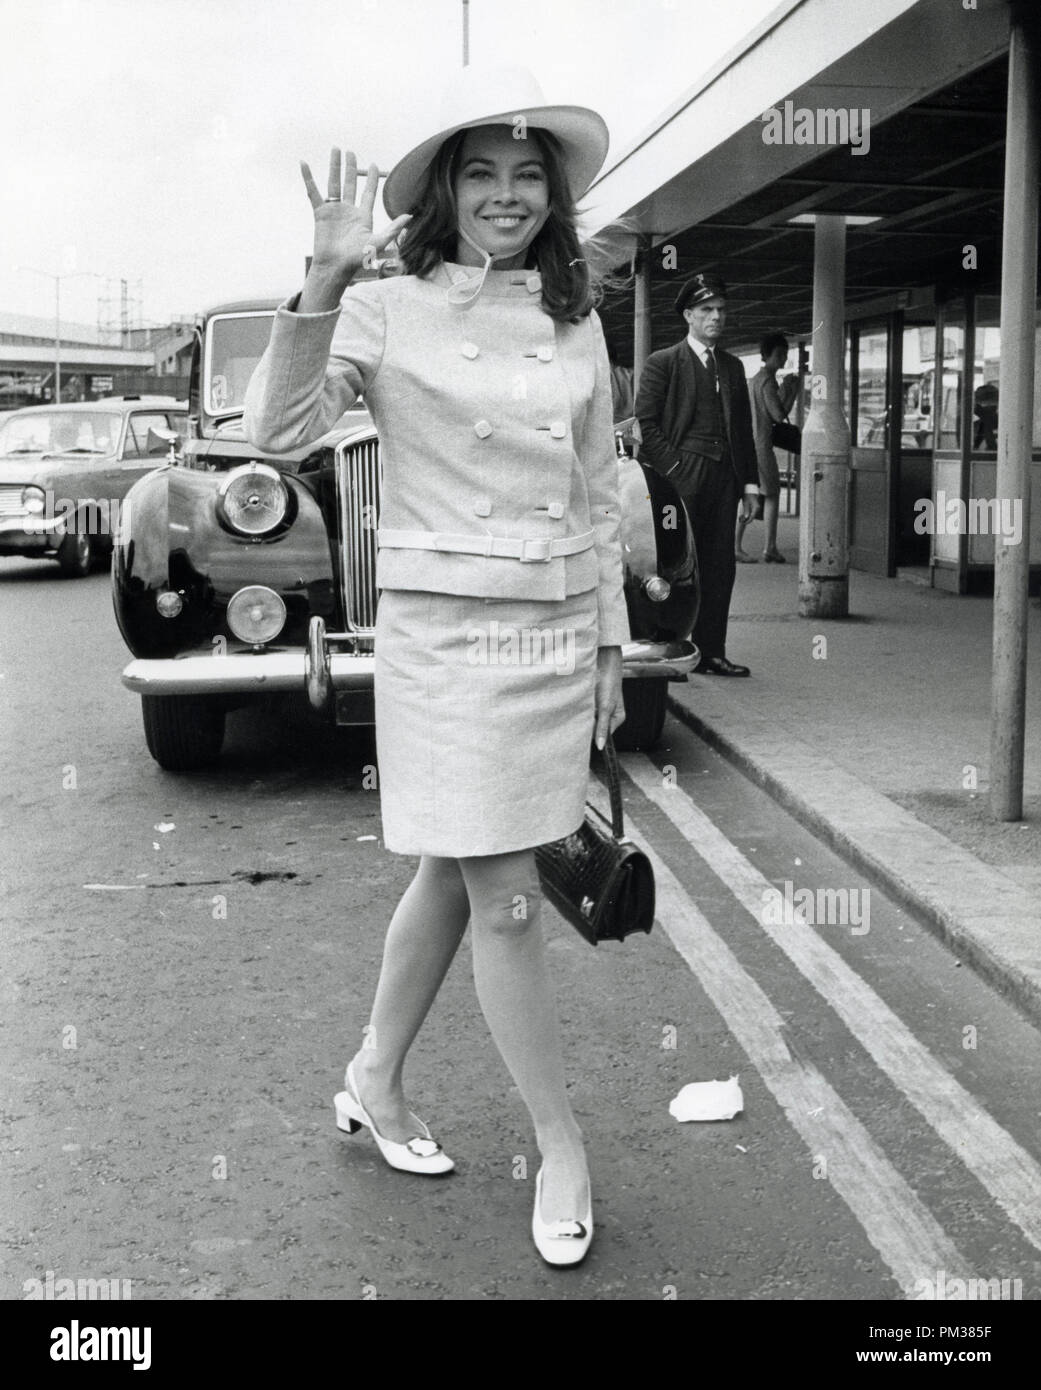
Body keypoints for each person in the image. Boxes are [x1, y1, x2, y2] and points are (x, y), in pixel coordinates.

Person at [243, 64, 628, 1268]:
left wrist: (613, 641)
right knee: (507, 892)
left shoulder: (577, 318)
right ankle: (560, 1141)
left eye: (527, 177)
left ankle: (372, 1074)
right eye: (482, 174)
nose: (506, 195)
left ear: (552, 198)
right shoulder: (385, 304)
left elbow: (599, 487)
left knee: (456, 879)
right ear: (446, 193)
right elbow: (281, 433)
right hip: (449, 641)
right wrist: (321, 278)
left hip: (556, 637)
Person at [634, 272, 758, 676]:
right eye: (707, 310)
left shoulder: (733, 367)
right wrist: (675, 468)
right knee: (676, 565)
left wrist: (750, 485)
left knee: (720, 564)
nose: (716, 317)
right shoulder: (664, 363)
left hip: (724, 479)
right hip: (681, 477)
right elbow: (646, 424)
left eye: (721, 310)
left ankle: (712, 652)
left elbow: (742, 431)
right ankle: (670, 647)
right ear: (688, 314)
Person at [738, 332, 801, 563]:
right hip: (761, 446)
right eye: (780, 354)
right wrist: (790, 390)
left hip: (750, 444)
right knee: (772, 494)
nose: (784, 359)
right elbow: (777, 413)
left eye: (785, 354)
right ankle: (770, 547)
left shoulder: (753, 379)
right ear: (767, 356)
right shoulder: (767, 381)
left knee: (751, 495)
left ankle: (738, 546)